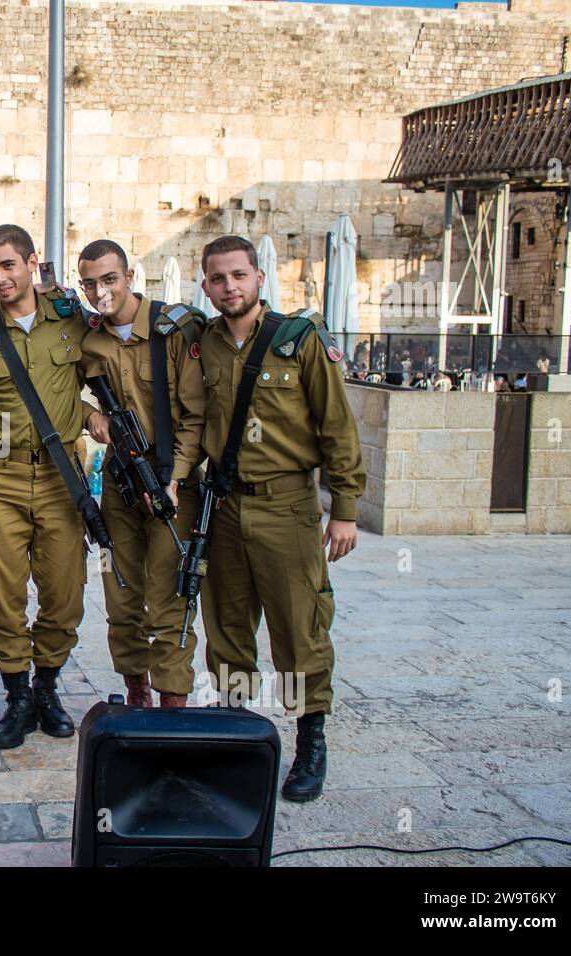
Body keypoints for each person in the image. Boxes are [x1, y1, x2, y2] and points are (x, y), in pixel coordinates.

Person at [196, 235, 365, 803]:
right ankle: (237, 732)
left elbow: (338, 428)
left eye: (238, 276)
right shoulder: (205, 343)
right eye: (218, 280)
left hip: (287, 504)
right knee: (227, 625)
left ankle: (310, 741)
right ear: (205, 286)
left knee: (298, 627)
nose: (229, 288)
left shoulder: (300, 341)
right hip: (223, 506)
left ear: (259, 277)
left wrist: (344, 510)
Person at [0, 224, 102, 750]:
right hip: (2, 478)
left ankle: (47, 685)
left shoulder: (69, 323)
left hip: (63, 478)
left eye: (8, 266)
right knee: (4, 594)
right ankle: (18, 695)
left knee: (66, 595)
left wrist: (88, 413)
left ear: (30, 262)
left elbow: (104, 369)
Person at [77, 240, 206, 708]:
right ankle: (137, 692)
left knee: (171, 595)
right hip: (119, 483)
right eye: (89, 283)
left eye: (109, 279)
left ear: (130, 276)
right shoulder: (88, 338)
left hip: (171, 482)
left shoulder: (173, 331)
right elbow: (53, 390)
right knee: (119, 591)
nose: (100, 291)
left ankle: (173, 703)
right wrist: (89, 415)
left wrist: (174, 477)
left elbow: (196, 416)